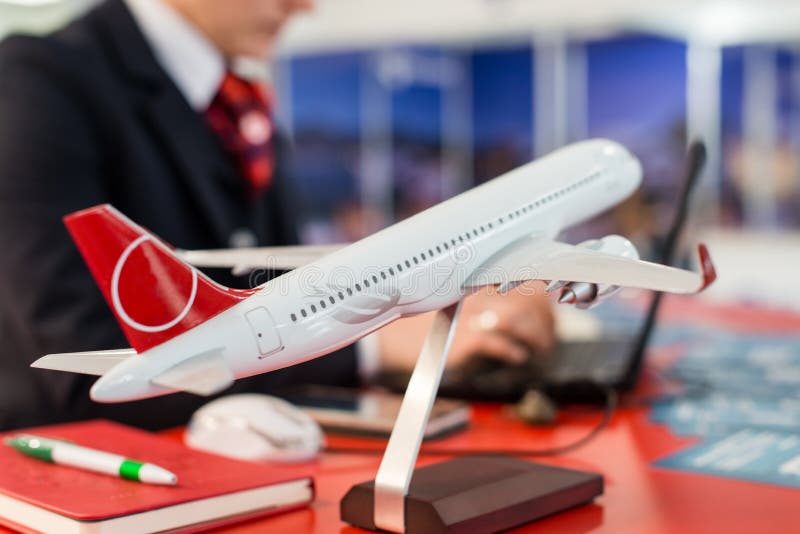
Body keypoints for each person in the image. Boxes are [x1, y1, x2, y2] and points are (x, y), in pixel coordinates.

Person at [0, 0, 554, 431]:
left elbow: (283, 291)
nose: (305, 6)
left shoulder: (240, 107)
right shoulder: (36, 85)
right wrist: (377, 343)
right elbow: (76, 364)